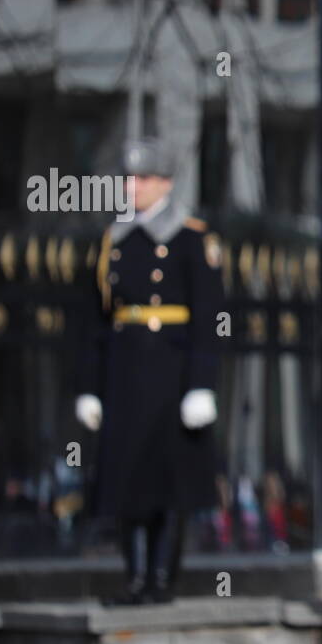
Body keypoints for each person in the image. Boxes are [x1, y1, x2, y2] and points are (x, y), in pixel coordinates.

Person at [75, 139, 225, 605]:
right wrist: (88, 388)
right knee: (126, 482)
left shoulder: (192, 238)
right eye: (128, 178)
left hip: (172, 372)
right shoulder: (113, 240)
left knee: (167, 483)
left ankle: (161, 578)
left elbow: (209, 317)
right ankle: (135, 578)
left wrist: (201, 385)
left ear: (165, 183)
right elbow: (94, 322)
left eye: (141, 179)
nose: (132, 187)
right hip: (124, 372)